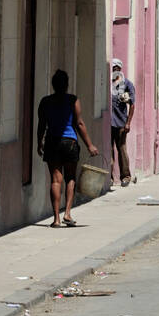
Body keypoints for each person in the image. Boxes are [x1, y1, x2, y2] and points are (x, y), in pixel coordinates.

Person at [37, 69, 98, 227]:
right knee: (70, 177)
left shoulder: (45, 102)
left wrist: (39, 143)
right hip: (69, 142)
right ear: (66, 85)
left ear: (53, 85)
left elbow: (41, 125)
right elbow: (79, 123)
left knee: (55, 180)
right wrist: (89, 145)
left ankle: (56, 218)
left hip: (52, 142)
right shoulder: (73, 100)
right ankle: (68, 213)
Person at [110, 59, 135, 188]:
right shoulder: (109, 85)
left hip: (120, 122)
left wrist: (128, 123)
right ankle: (109, 177)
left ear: (120, 69)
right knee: (109, 150)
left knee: (121, 149)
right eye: (112, 68)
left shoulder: (127, 84)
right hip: (109, 124)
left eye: (116, 68)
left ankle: (125, 176)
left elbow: (132, 105)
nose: (114, 70)